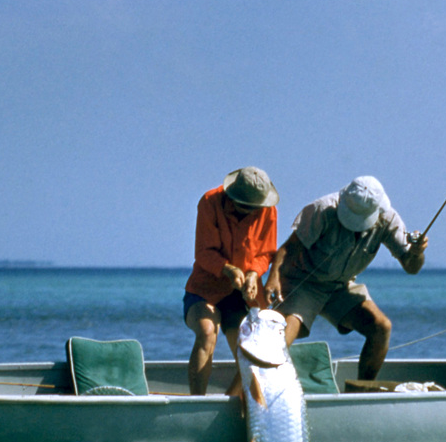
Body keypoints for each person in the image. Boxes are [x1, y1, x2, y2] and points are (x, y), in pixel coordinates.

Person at [265, 176, 427, 381]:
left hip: (342, 286)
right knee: (283, 334)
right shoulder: (321, 209)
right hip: (304, 281)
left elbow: (412, 267)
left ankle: (363, 390)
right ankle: (257, 388)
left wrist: (417, 252)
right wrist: (273, 278)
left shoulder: (389, 219)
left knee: (381, 327)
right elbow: (288, 248)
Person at [183, 167, 279, 395]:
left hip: (242, 296)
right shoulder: (209, 201)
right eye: (244, 206)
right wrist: (228, 269)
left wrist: (254, 273)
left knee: (252, 349)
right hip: (204, 289)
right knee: (207, 332)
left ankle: (232, 403)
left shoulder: (269, 210)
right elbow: (204, 252)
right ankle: (196, 404)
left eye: (255, 208)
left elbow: (266, 253)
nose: (250, 212)